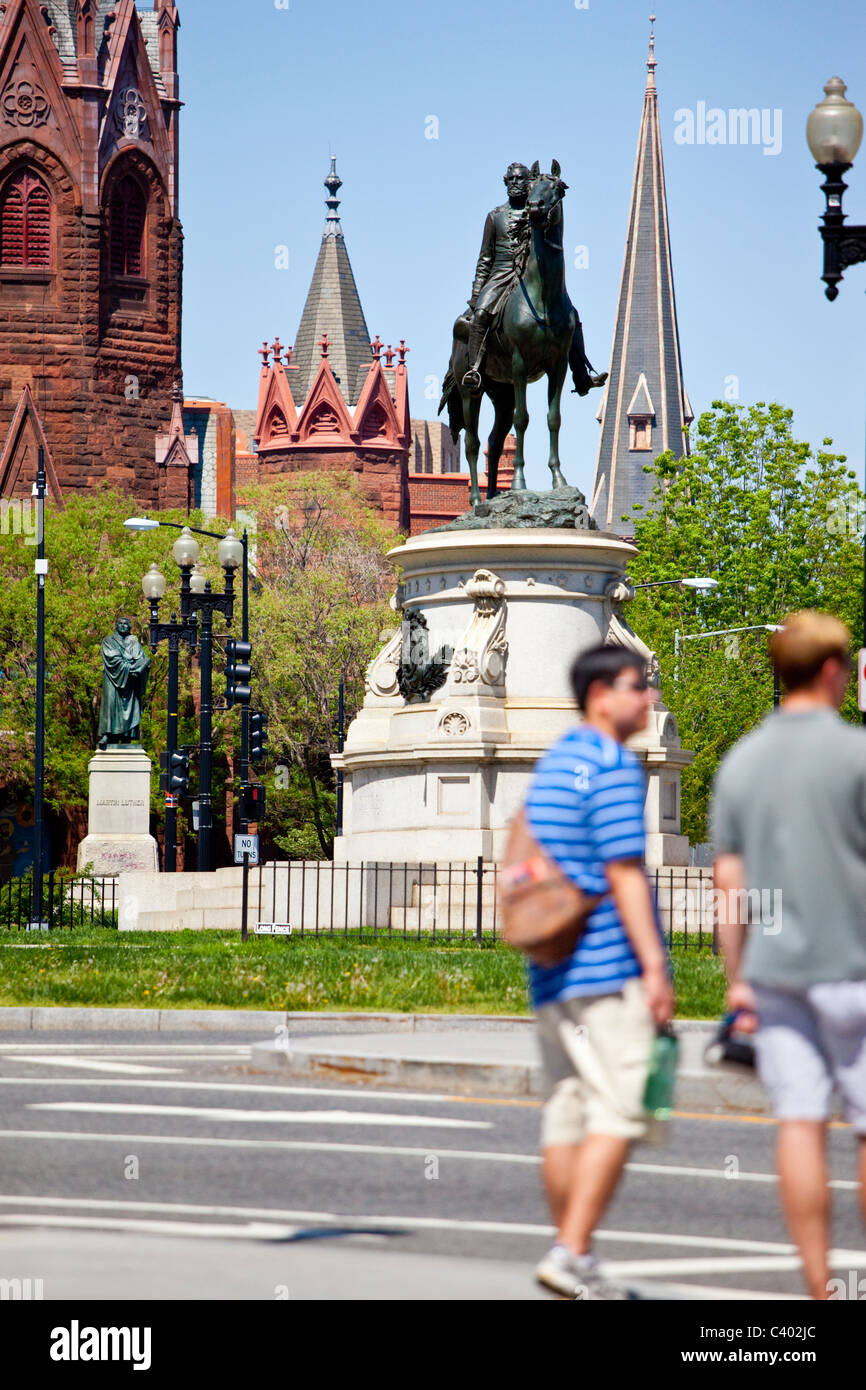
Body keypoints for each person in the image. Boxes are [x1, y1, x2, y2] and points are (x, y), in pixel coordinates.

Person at [711, 611, 866, 1300]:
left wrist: (736, 978)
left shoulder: (744, 761)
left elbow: (731, 883)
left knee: (799, 1122)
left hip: (776, 974)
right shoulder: (857, 756)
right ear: (834, 671)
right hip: (856, 963)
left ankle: (815, 1282)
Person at [526, 644, 674, 1299]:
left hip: (552, 968)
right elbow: (623, 871)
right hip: (607, 968)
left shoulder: (555, 763)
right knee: (620, 1109)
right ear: (599, 695)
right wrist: (656, 966)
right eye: (637, 686)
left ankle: (571, 1257)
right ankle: (572, 1249)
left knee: (566, 1112)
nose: (648, 698)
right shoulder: (613, 767)